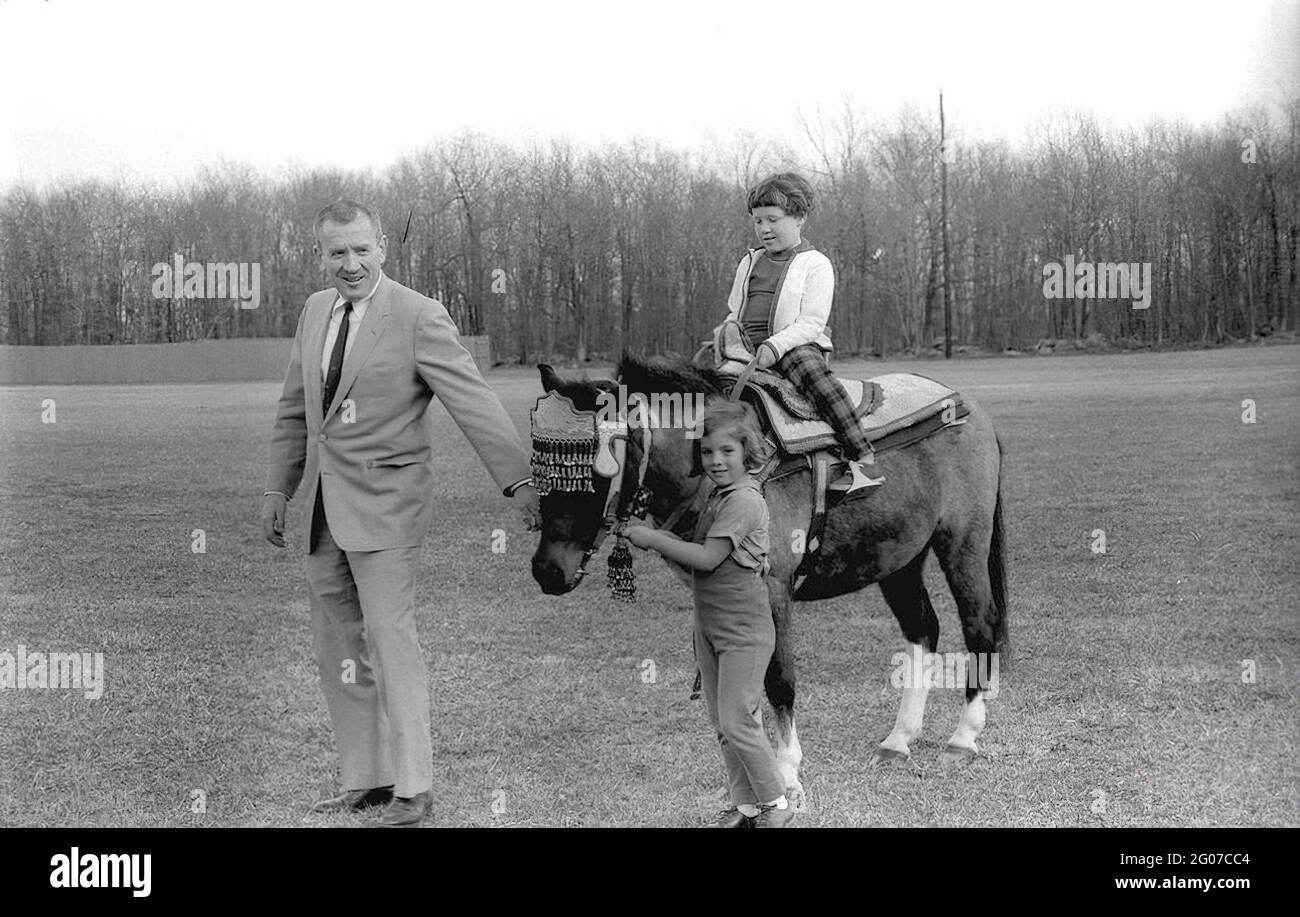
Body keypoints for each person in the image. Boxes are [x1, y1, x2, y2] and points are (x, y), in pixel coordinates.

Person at [260, 199, 539, 827]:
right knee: (338, 647)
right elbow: (293, 412)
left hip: (388, 509)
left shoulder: (418, 315)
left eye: (362, 249)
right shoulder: (313, 311)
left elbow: (472, 399)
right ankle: (367, 778)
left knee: (391, 643)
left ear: (383, 247)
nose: (351, 264)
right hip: (322, 511)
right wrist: (280, 489)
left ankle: (415, 789)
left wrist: (519, 482)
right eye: (338, 252)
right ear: (321, 255)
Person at [622, 401, 795, 828]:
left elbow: (706, 558)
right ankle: (746, 806)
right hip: (712, 627)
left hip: (744, 630)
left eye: (726, 452)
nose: (715, 461)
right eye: (706, 453)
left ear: (747, 452)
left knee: (738, 721)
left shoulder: (745, 501)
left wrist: (650, 538)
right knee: (724, 724)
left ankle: (777, 804)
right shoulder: (719, 496)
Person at [712, 171, 878, 492]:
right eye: (757, 221)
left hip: (794, 345)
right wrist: (726, 335)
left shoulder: (815, 264)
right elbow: (736, 309)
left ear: (799, 217)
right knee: (702, 384)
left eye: (772, 219)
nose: (764, 229)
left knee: (817, 380)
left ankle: (863, 458)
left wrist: (776, 345)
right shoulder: (748, 262)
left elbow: (812, 322)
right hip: (746, 349)